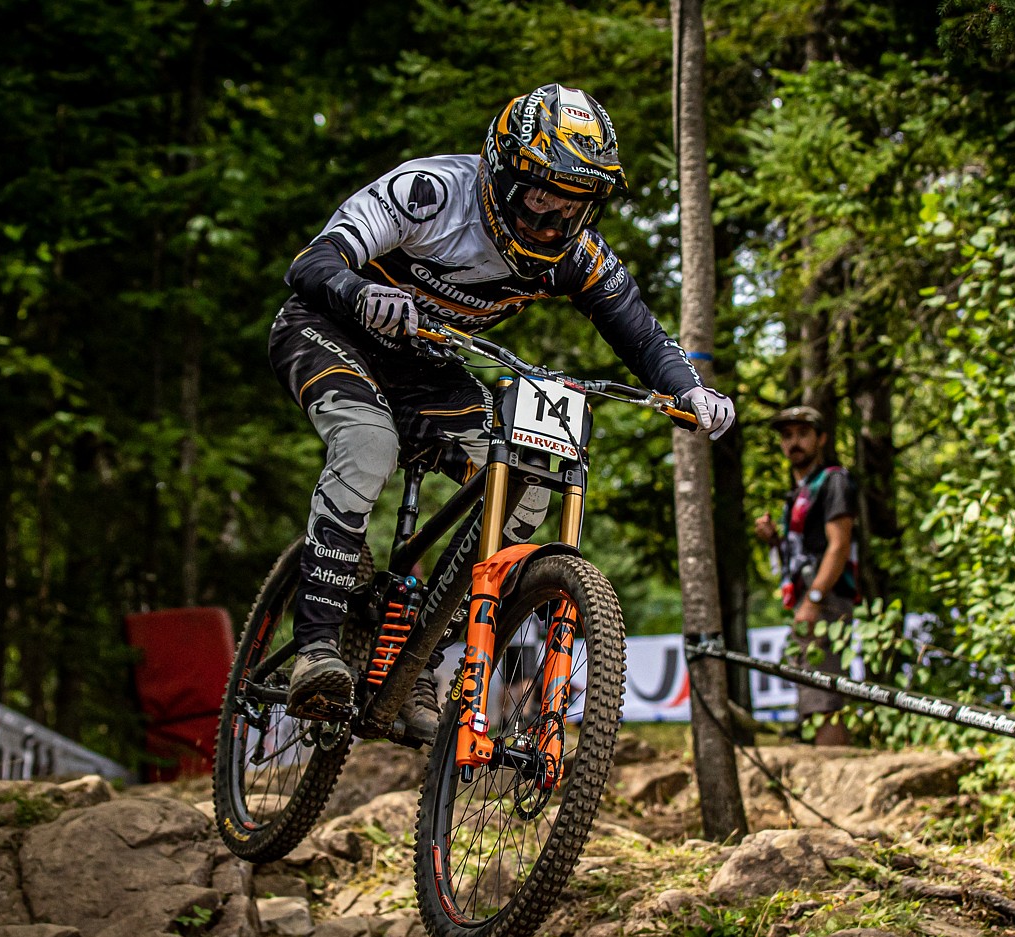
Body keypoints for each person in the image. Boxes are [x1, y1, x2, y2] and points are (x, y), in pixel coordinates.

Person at [269, 84, 736, 728]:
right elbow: (314, 260)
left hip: (426, 363)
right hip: (329, 328)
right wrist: (358, 290)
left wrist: (691, 391)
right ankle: (317, 648)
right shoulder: (431, 193)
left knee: (525, 485)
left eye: (573, 205)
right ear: (502, 172)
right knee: (367, 443)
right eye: (541, 193)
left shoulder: (576, 255)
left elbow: (641, 333)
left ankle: (425, 653)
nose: (551, 219)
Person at [754, 405, 859, 746]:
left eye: (802, 434)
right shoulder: (798, 493)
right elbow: (804, 552)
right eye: (787, 436)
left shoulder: (834, 481)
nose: (794, 442)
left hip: (825, 598)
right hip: (807, 597)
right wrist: (775, 540)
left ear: (821, 438)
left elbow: (839, 546)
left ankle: (835, 774)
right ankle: (825, 770)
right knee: (810, 685)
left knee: (824, 690)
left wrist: (814, 598)